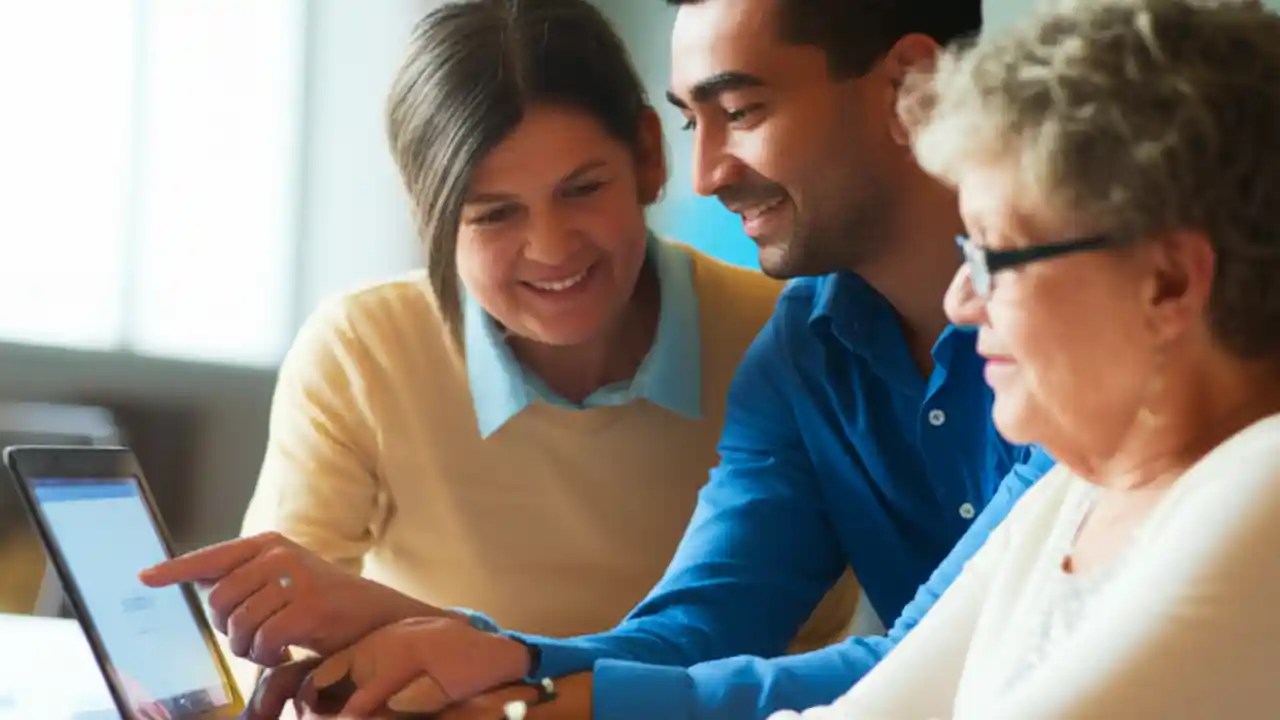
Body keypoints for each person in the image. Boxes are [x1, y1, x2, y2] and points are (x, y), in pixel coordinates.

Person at [142, 0, 1057, 717]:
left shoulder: (1086, 317)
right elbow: (695, 631)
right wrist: (498, 658)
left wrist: (531, 699)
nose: (705, 177)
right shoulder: (803, 350)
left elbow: (946, 655)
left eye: (740, 110)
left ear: (912, 85)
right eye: (695, 119)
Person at [774, 1, 1280, 716]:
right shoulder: (1072, 493)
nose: (960, 302)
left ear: (1167, 283)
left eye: (994, 256)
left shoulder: (1267, 480)